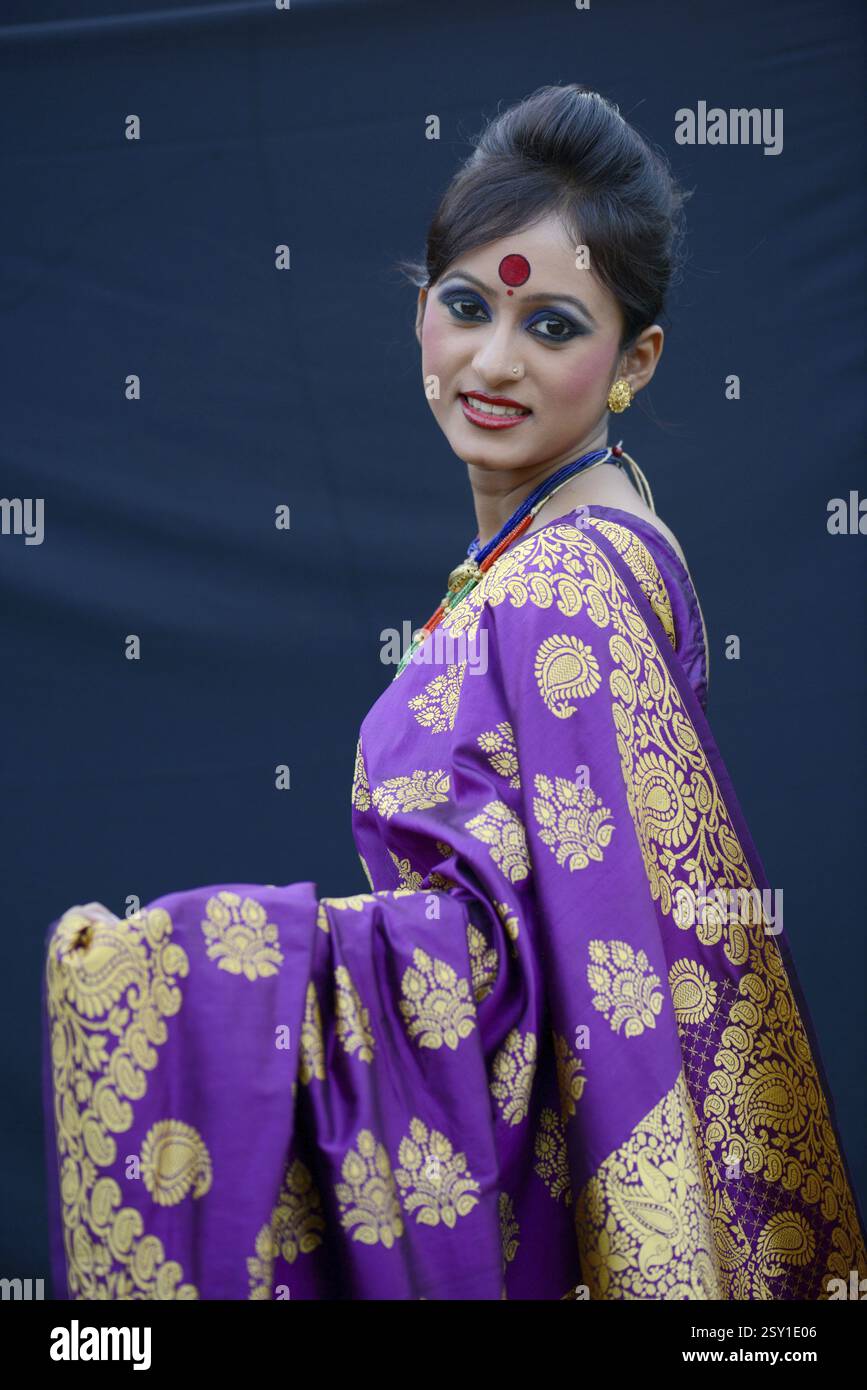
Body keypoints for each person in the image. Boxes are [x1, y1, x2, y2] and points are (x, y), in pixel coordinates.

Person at [42, 84, 866, 1301]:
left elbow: (548, 976)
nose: (492, 361)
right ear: (419, 310)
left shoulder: (567, 583)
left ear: (636, 358)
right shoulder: (570, 548)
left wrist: (192, 971)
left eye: (553, 325)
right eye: (468, 307)